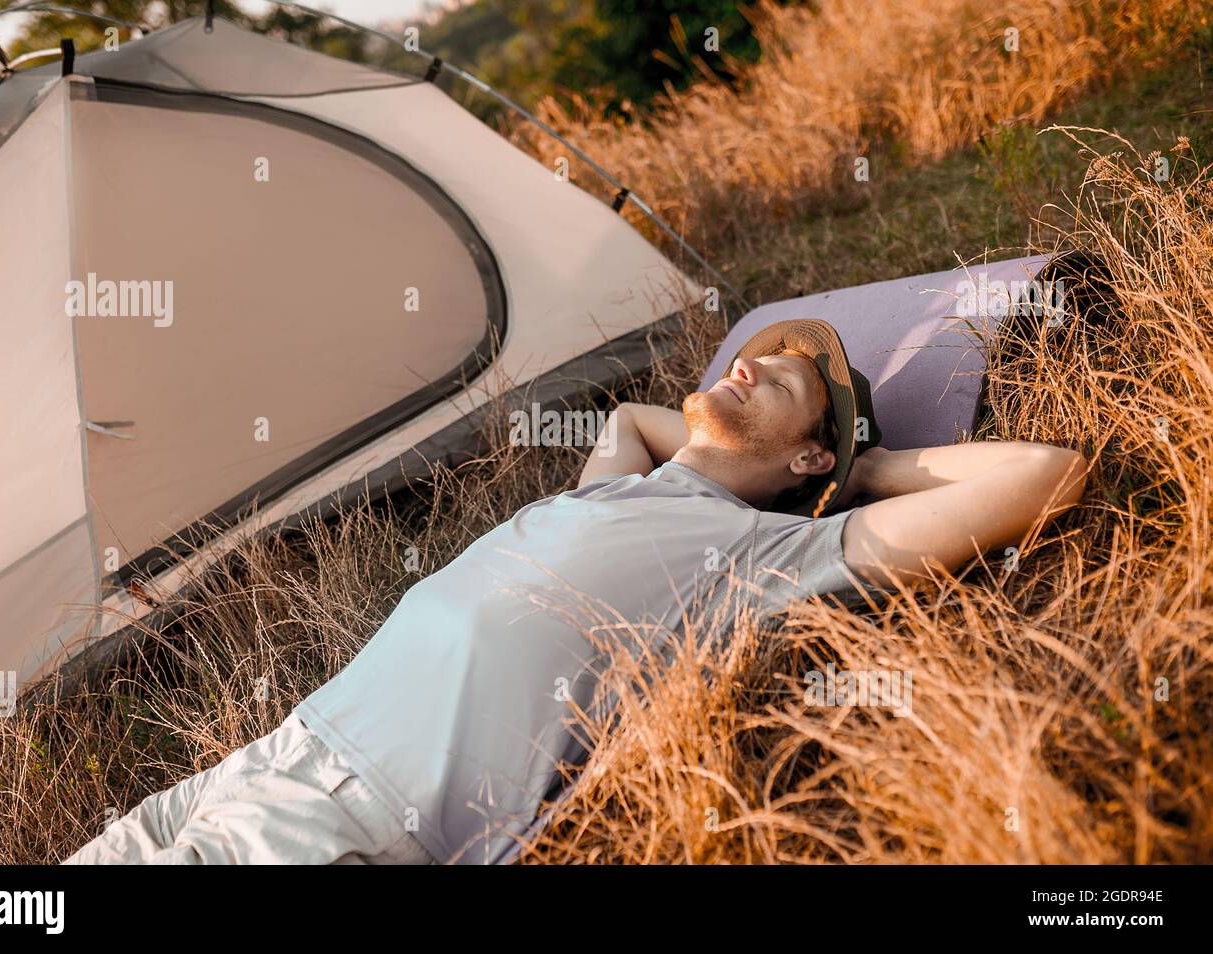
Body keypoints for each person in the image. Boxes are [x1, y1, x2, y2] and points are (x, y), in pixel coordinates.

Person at [66, 319, 1087, 865]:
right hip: (262, 762)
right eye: (746, 359)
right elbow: (639, 426)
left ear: (808, 452)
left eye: (775, 382)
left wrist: (852, 471)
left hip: (348, 824)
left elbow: (1047, 474)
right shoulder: (625, 490)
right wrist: (753, 431)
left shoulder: (758, 558)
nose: (742, 370)